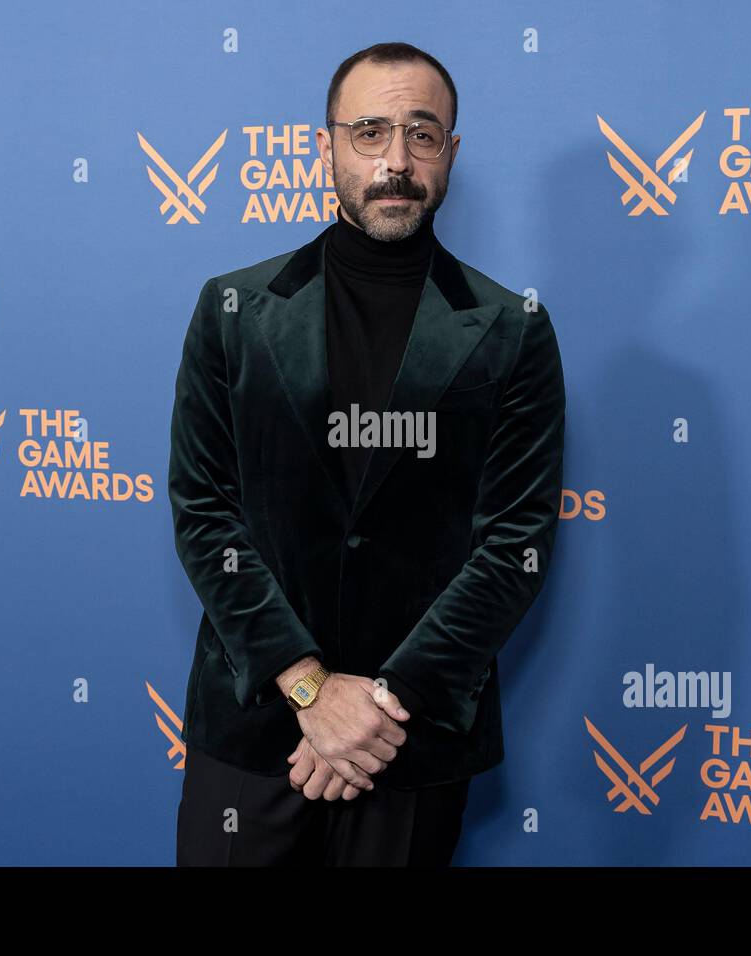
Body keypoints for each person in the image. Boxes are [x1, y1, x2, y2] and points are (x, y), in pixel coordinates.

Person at [169, 41, 566, 866]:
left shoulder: (511, 329)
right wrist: (309, 688)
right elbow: (205, 514)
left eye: (423, 134)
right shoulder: (234, 311)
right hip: (254, 731)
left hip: (410, 741)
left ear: (450, 153)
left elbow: (514, 546)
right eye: (371, 132)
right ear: (326, 147)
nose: (396, 161)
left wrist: (379, 707)